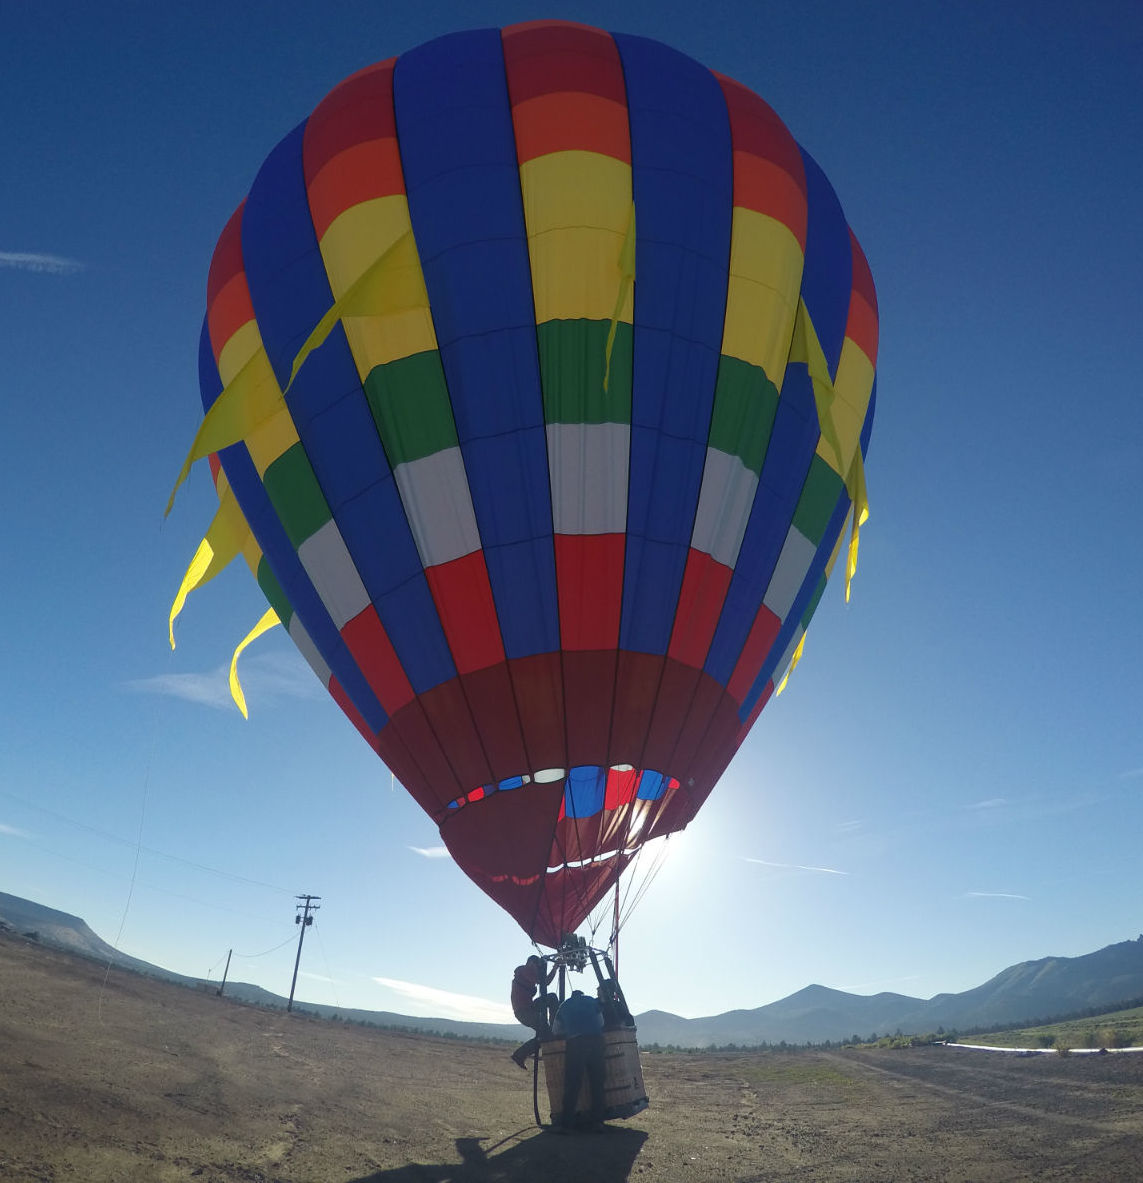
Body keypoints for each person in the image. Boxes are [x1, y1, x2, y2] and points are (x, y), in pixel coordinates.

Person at [552, 989, 607, 1132]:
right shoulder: (591, 1001)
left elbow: (556, 1030)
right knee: (597, 1082)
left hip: (576, 1043)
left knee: (573, 1083)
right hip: (596, 1042)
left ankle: (567, 1124)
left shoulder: (564, 1006)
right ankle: (598, 1122)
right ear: (582, 994)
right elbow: (601, 1022)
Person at [510, 955, 557, 1070]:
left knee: (552, 998)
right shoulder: (524, 970)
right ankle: (520, 1054)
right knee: (545, 1034)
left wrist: (555, 967)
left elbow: (545, 982)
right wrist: (554, 967)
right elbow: (545, 982)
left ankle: (554, 1026)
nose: (538, 968)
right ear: (531, 963)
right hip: (524, 1012)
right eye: (537, 965)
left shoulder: (526, 972)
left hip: (529, 1007)